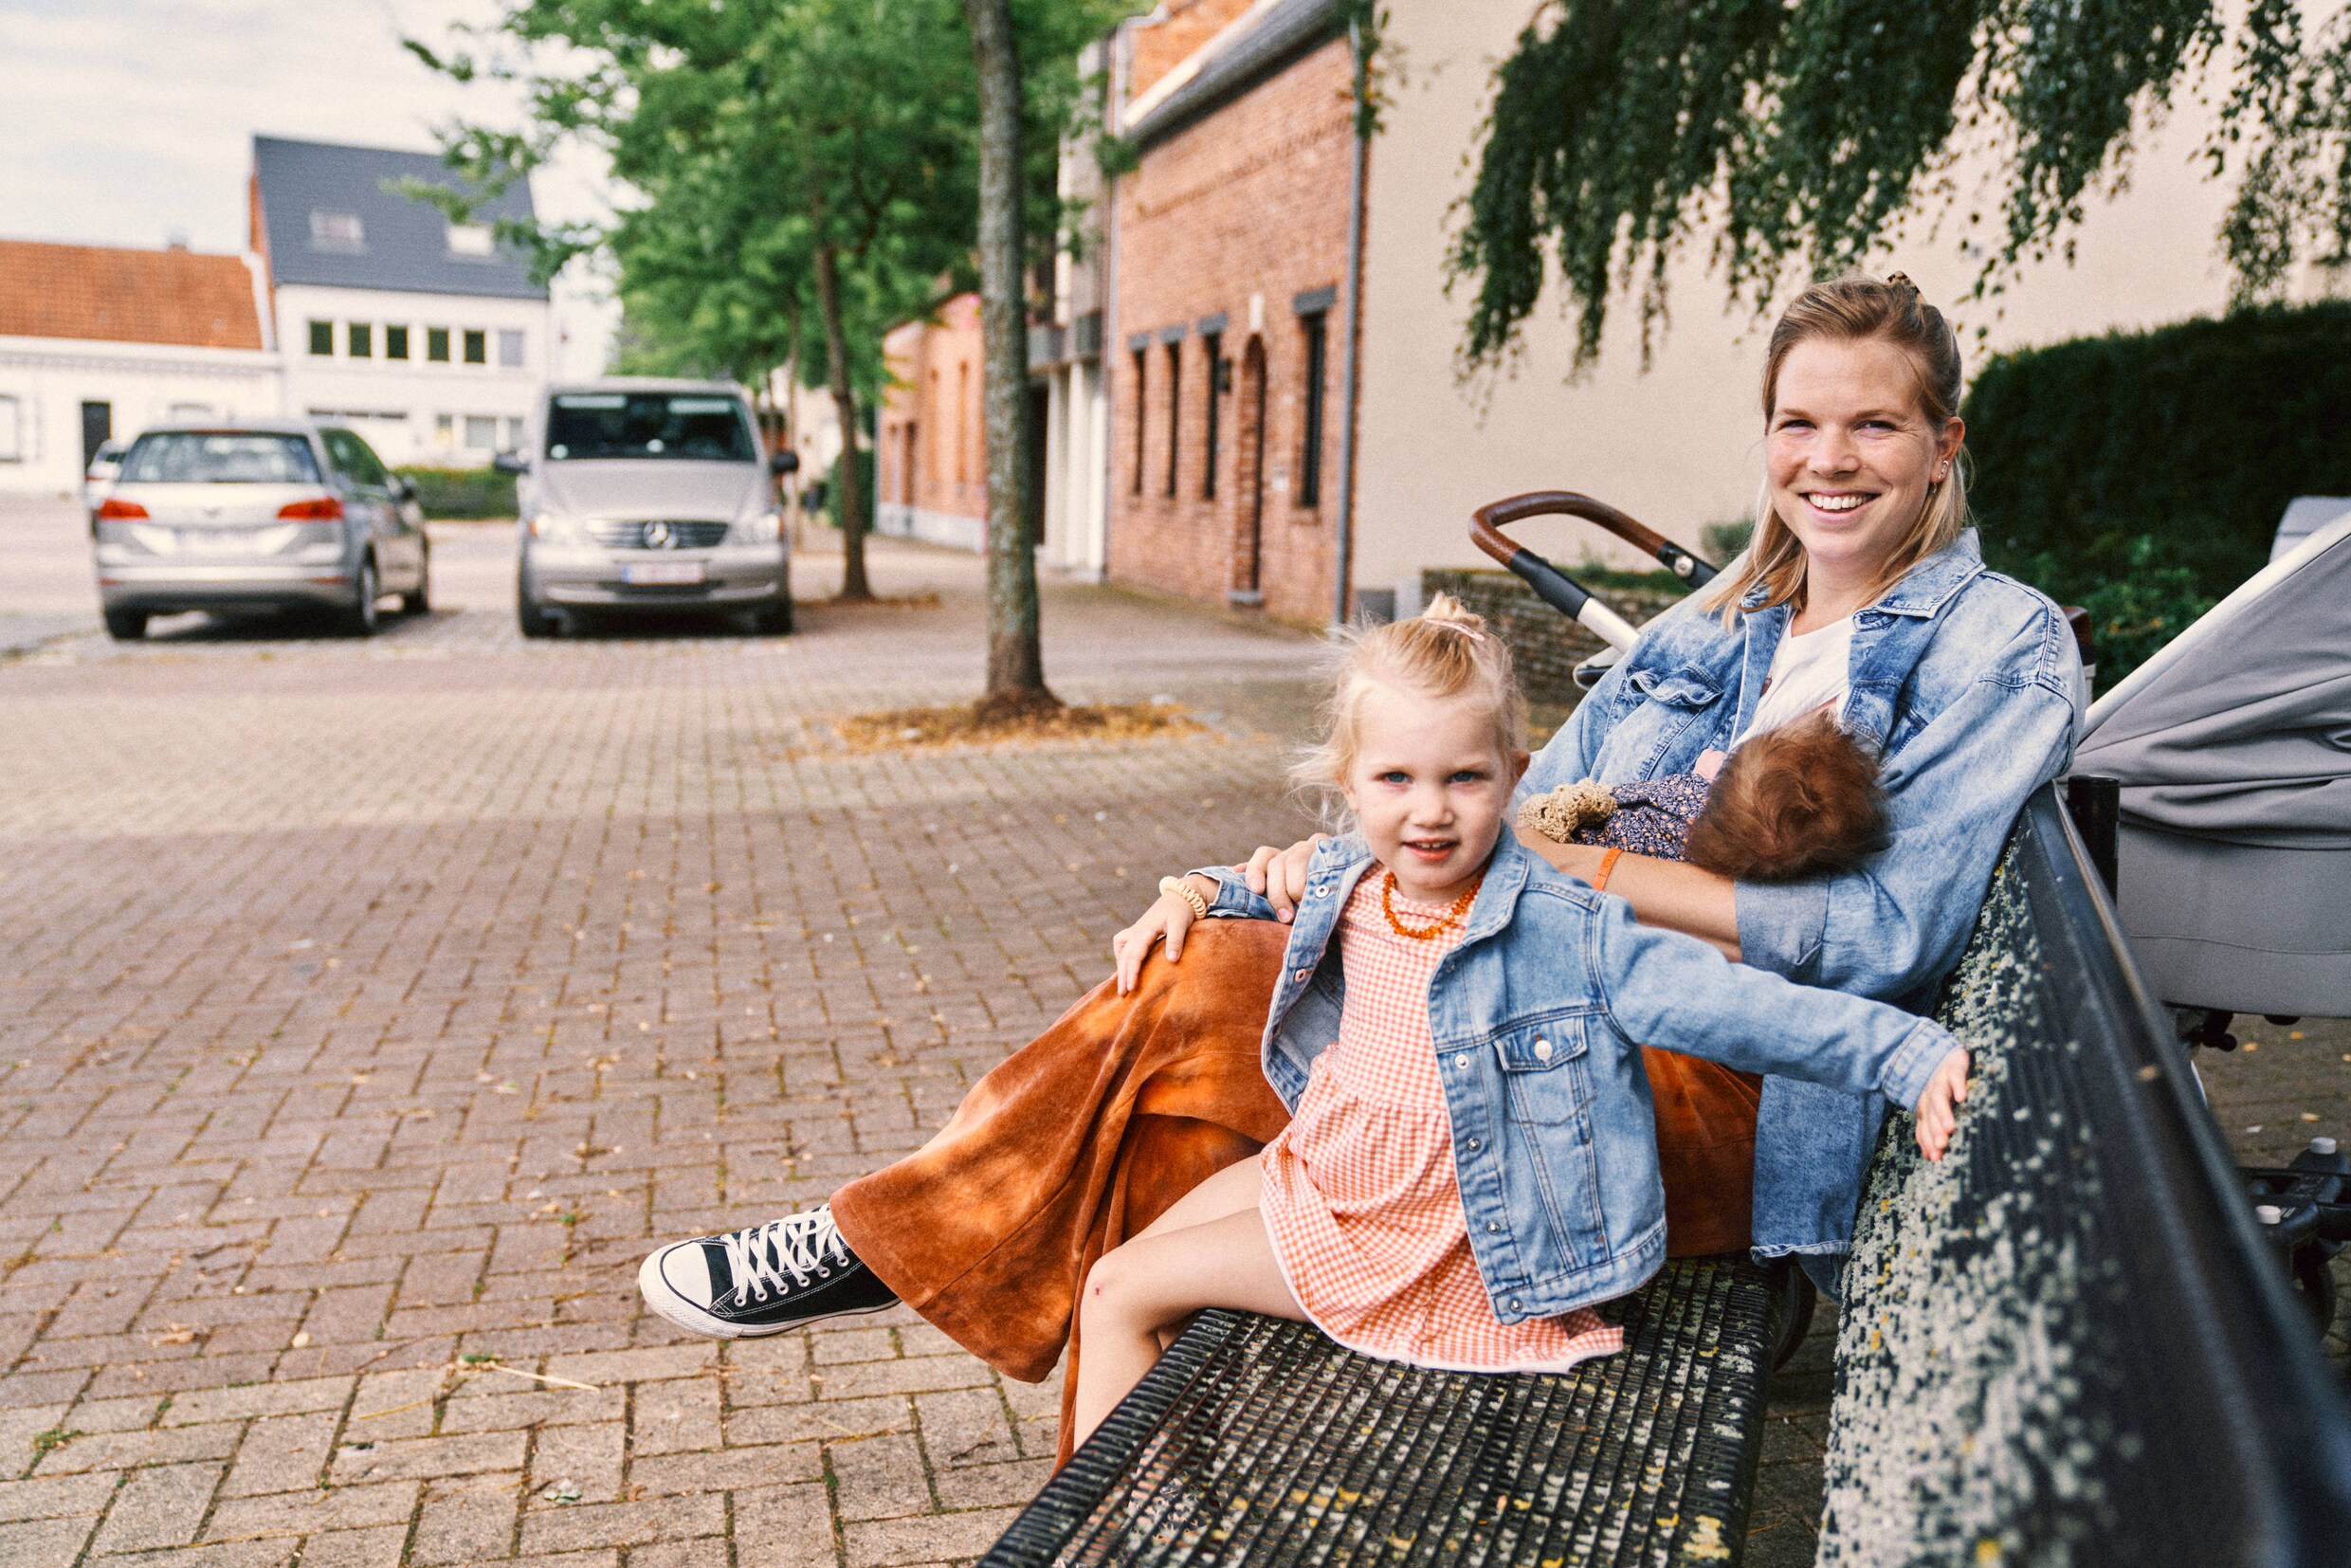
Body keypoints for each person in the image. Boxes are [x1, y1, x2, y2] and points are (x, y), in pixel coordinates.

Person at [635, 272, 2079, 1456]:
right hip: (1523, 997)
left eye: (1874, 428)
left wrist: (1579, 877)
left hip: (1711, 1086)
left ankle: (897, 1248)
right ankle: (1065, 1390)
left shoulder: (1997, 643)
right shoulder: (1721, 626)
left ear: (1945, 443)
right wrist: (1276, 877)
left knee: (1186, 1118)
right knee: (1203, 990)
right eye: (1799, 423)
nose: (1829, 462)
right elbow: (1509, 805)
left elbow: (1878, 934)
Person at [1068, 598, 1969, 1445]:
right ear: (1349, 780)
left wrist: (1909, 1053)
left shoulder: (1566, 925)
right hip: (1333, 1172)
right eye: (1396, 778)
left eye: (1465, 777)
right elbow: (1260, 886)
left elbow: (1742, 1008)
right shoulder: (1354, 877)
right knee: (1133, 1260)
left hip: (1431, 1233)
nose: (1430, 810)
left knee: (1116, 1290)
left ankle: (1102, 1540)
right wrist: (1187, 894)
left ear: (1517, 776)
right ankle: (1153, 1510)